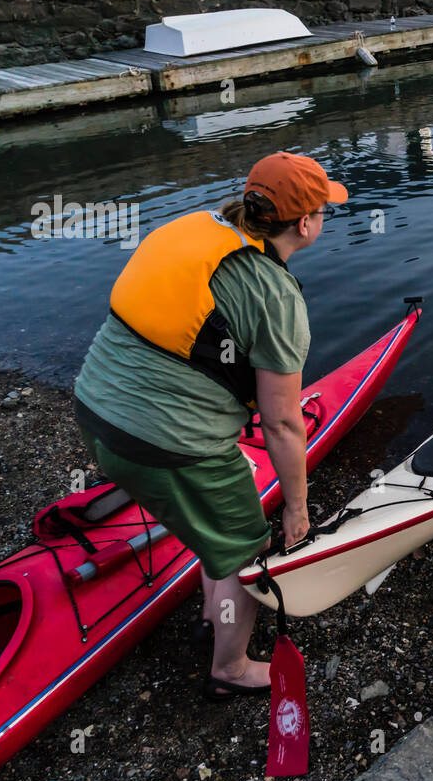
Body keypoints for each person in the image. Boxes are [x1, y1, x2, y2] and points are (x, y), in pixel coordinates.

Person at [73, 151, 344, 701]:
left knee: (212, 522)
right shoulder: (274, 295)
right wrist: (296, 508)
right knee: (246, 540)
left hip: (94, 411)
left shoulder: (193, 228)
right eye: (322, 210)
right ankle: (231, 667)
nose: (323, 219)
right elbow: (284, 422)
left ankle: (210, 613)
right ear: (305, 224)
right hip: (164, 443)